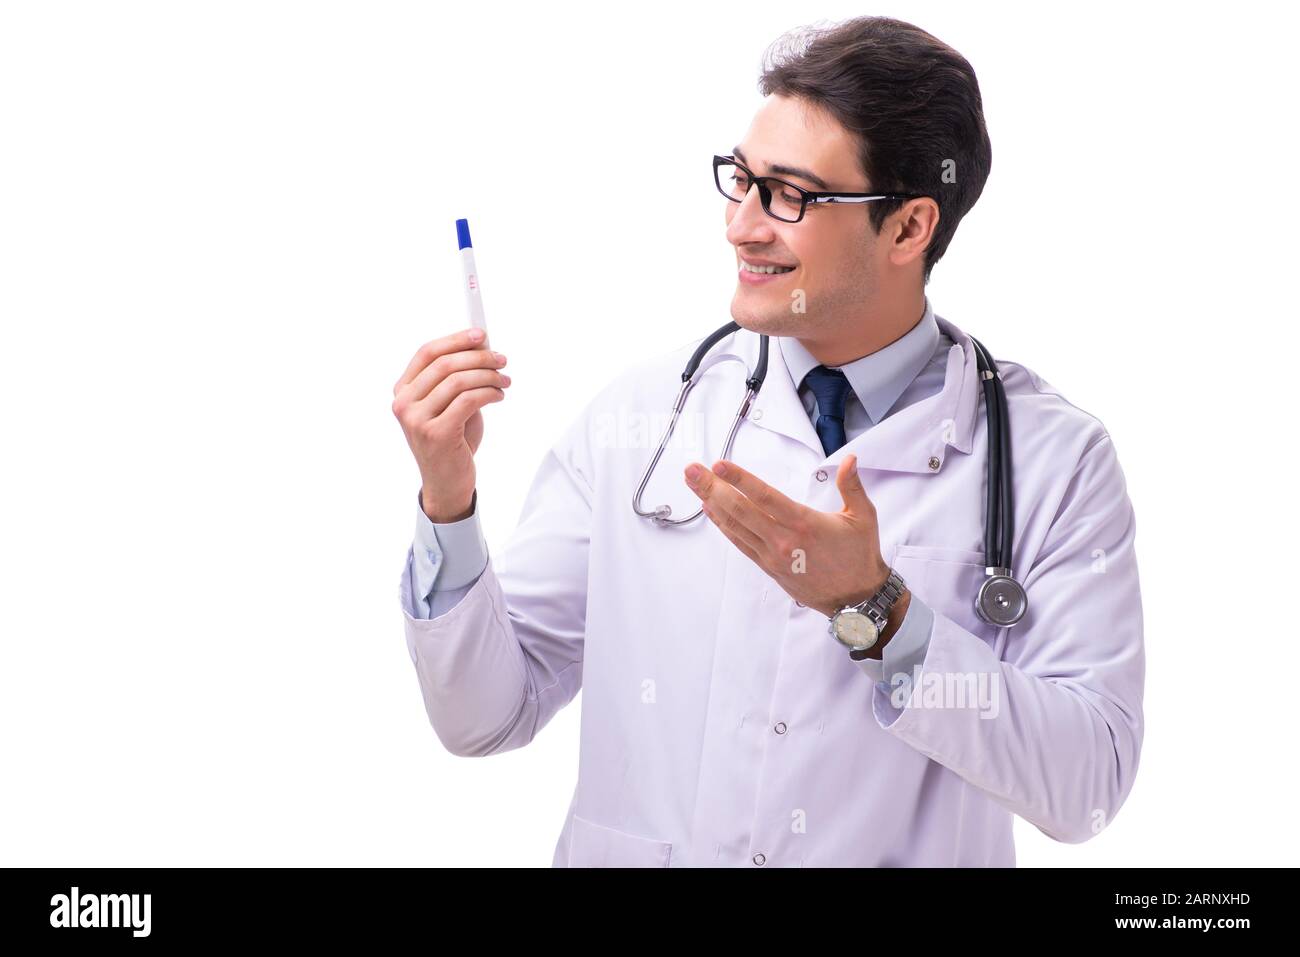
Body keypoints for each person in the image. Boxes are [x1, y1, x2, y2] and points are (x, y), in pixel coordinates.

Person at [390, 15, 1144, 867]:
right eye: (740, 180)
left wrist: (878, 613)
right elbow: (485, 713)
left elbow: (1088, 783)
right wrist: (448, 499)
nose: (740, 225)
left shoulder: (1055, 461)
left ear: (908, 227)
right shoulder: (643, 417)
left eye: (789, 195)